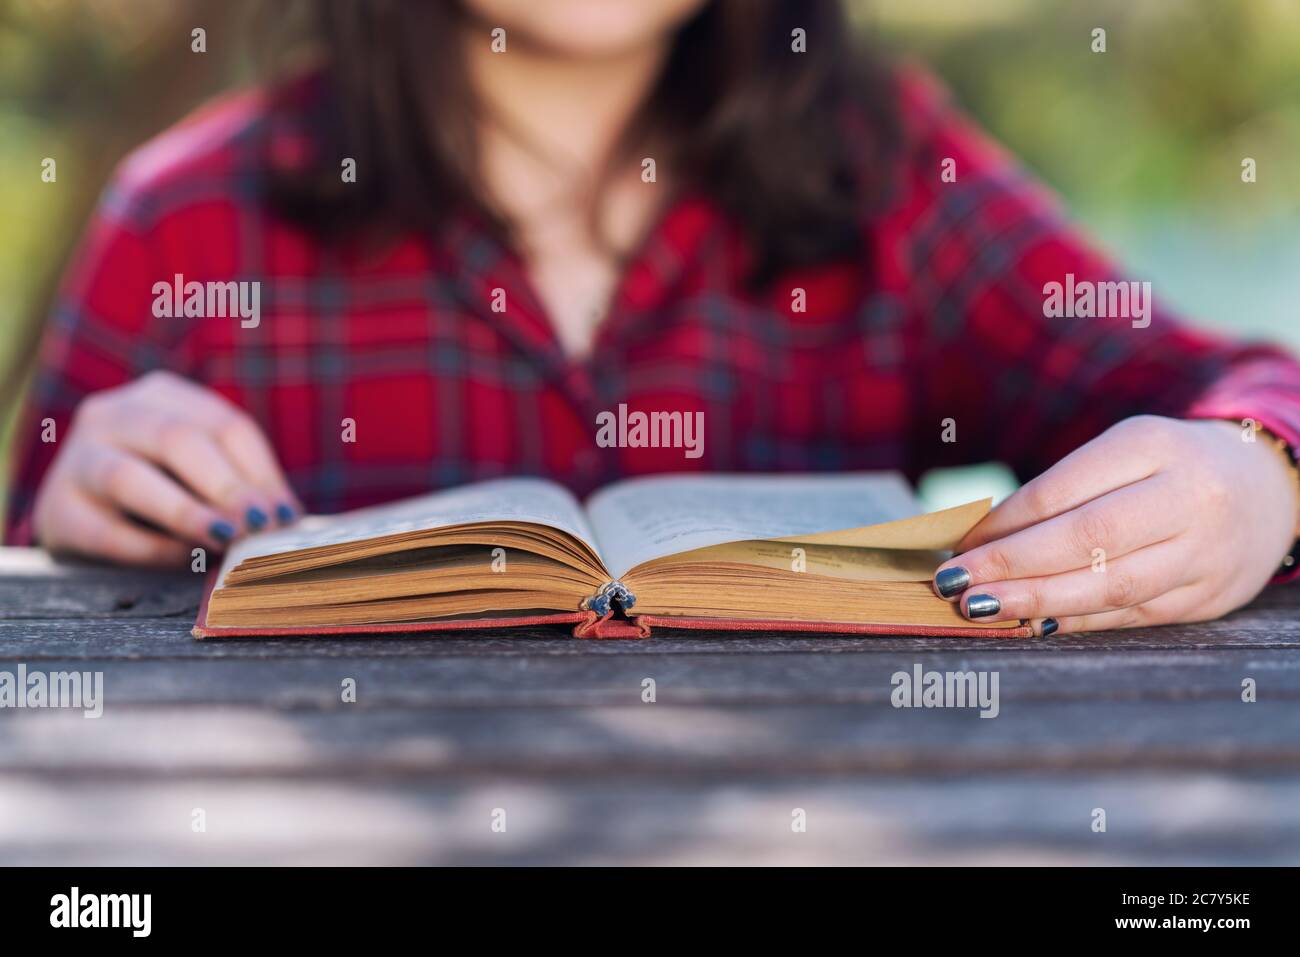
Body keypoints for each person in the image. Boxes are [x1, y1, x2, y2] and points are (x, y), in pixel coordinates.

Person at [6, 0, 1300, 637]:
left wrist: (1250, 468)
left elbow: (1220, 379)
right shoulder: (184, 216)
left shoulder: (891, 172)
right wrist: (74, 528)